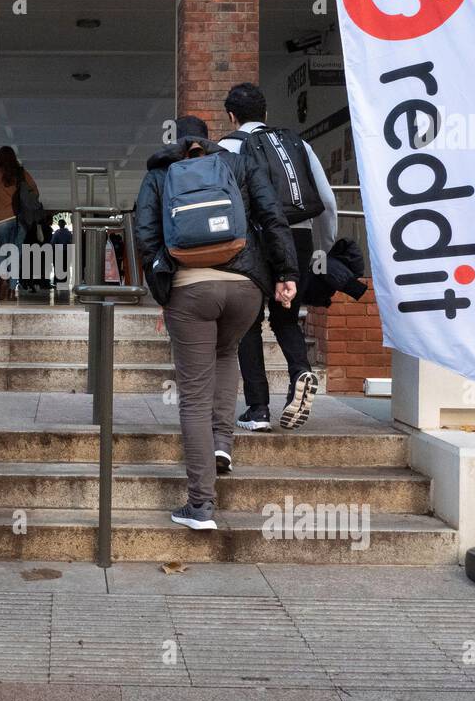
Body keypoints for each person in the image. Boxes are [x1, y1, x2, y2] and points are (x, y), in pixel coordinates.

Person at [134, 117, 299, 531]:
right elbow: (272, 215)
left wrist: (162, 283)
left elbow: (146, 233)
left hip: (191, 289)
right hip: (245, 288)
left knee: (191, 397)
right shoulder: (239, 164)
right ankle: (221, 445)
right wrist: (286, 272)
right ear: (207, 137)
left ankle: (200, 506)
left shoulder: (159, 172)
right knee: (227, 356)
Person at [217, 83, 338, 432]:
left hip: (252, 243)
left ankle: (257, 410)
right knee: (286, 318)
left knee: (247, 324)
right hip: (296, 239)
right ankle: (301, 372)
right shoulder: (297, 143)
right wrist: (322, 247)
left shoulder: (227, 147)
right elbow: (327, 201)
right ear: (266, 114)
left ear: (231, 115)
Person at [0, 146, 40, 299]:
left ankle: (3, 280)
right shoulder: (20, 173)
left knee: (1, 253)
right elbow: (35, 191)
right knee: (15, 254)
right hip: (19, 219)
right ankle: (12, 290)